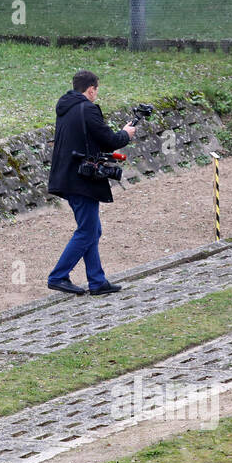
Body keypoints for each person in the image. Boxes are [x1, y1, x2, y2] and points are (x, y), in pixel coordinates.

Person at [46, 70, 135, 295]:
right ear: (91, 89)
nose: (96, 95)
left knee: (91, 229)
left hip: (66, 176)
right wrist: (126, 134)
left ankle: (97, 281)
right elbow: (109, 141)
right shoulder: (88, 109)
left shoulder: (66, 108)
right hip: (80, 179)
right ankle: (58, 276)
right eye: (96, 90)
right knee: (87, 230)